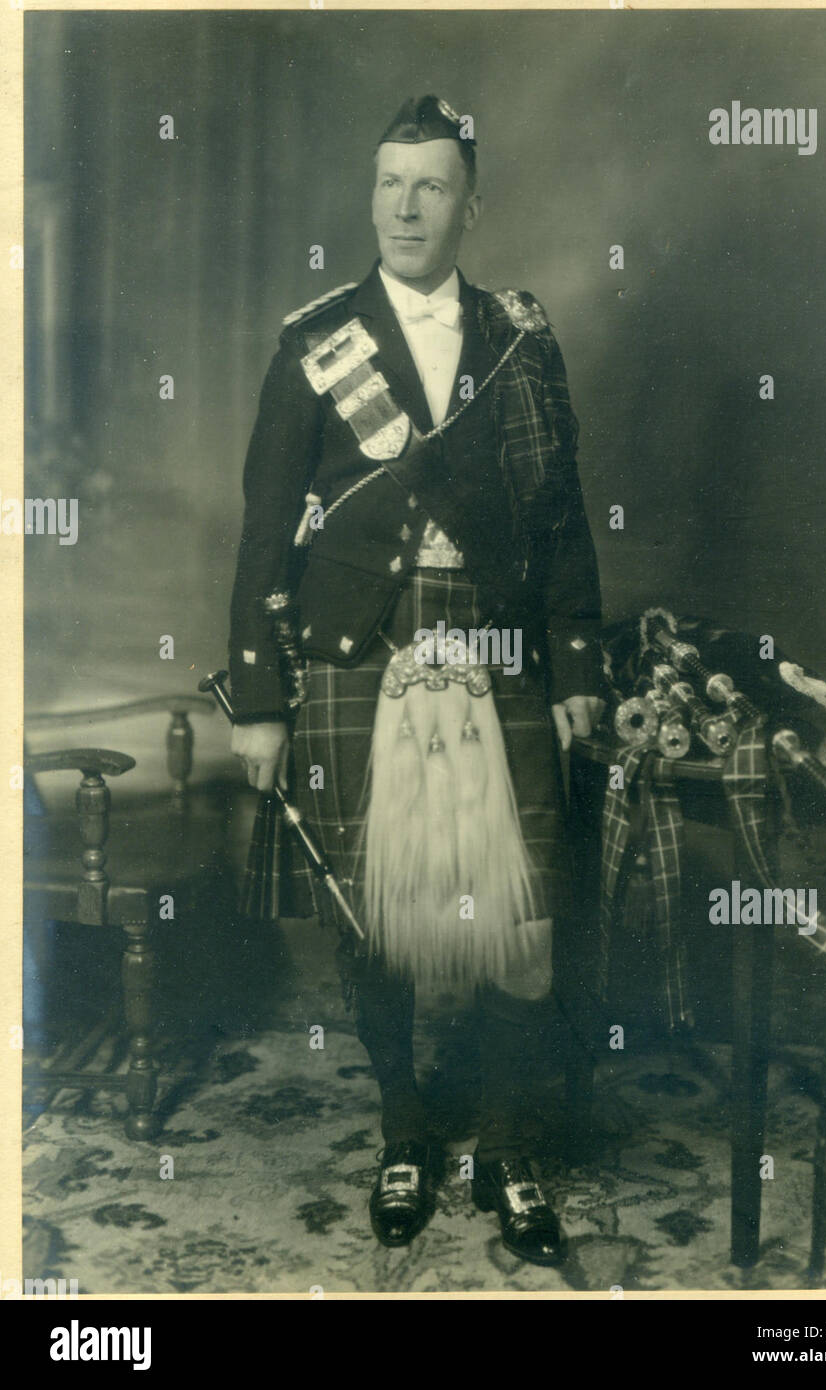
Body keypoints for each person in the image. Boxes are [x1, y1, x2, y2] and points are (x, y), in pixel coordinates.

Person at [228, 94, 604, 1267]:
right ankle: (404, 1132)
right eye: (389, 182)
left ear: (469, 204)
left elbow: (561, 522)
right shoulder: (314, 345)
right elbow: (261, 539)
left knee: (518, 918)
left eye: (429, 185)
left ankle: (505, 1146)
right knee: (379, 917)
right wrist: (261, 698)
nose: (403, 205)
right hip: (359, 655)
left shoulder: (520, 341)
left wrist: (579, 661)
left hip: (499, 654)